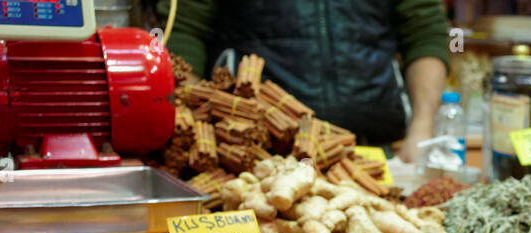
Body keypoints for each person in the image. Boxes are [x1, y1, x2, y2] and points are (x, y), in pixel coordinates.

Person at [158, 0, 450, 160]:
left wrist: (422, 129)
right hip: (257, 157)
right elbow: (183, 34)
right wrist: (197, 129)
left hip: (371, 155)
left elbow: (426, 32)